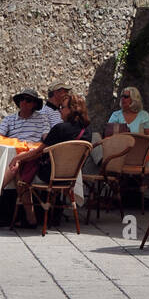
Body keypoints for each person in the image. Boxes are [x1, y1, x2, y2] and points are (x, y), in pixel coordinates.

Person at [11, 93, 92, 227]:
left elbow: (37, 152)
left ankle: (30, 218)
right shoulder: (87, 131)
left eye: (63, 107)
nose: (59, 110)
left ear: (72, 109)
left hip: (50, 175)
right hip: (71, 177)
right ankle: (46, 215)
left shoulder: (60, 129)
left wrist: (17, 157)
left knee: (18, 172)